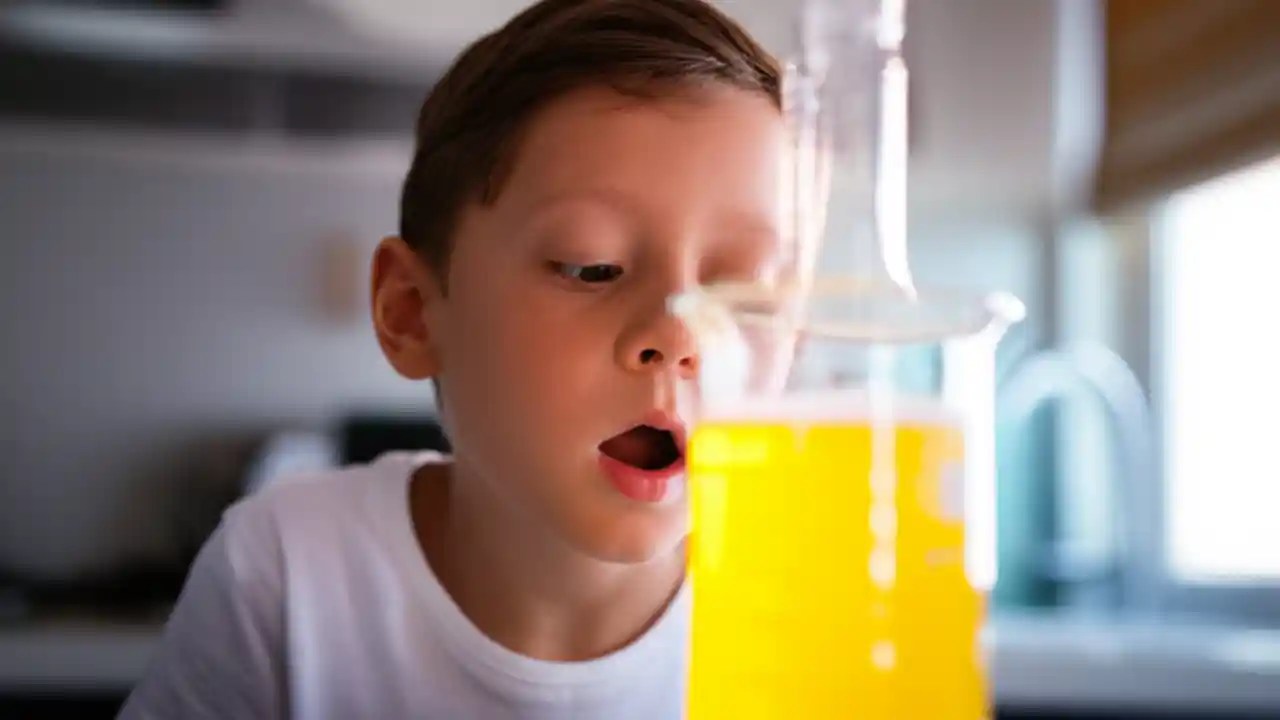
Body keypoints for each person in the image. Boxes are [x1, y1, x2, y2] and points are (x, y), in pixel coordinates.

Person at [120, 0, 783, 717]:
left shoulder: (823, 611)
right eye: (591, 267)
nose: (683, 337)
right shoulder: (288, 573)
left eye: (746, 292)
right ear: (410, 312)